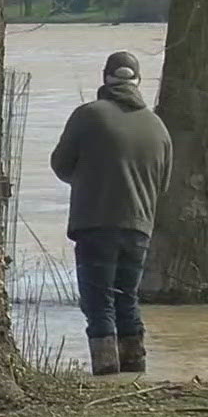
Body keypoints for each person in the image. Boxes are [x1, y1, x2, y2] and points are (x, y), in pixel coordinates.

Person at [51, 51, 174, 376]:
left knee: (98, 303)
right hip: (139, 228)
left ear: (105, 78)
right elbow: (163, 184)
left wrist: (89, 178)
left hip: (95, 224)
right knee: (127, 300)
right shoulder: (158, 127)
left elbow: (60, 164)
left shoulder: (88, 116)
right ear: (138, 81)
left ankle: (106, 373)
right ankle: (134, 370)